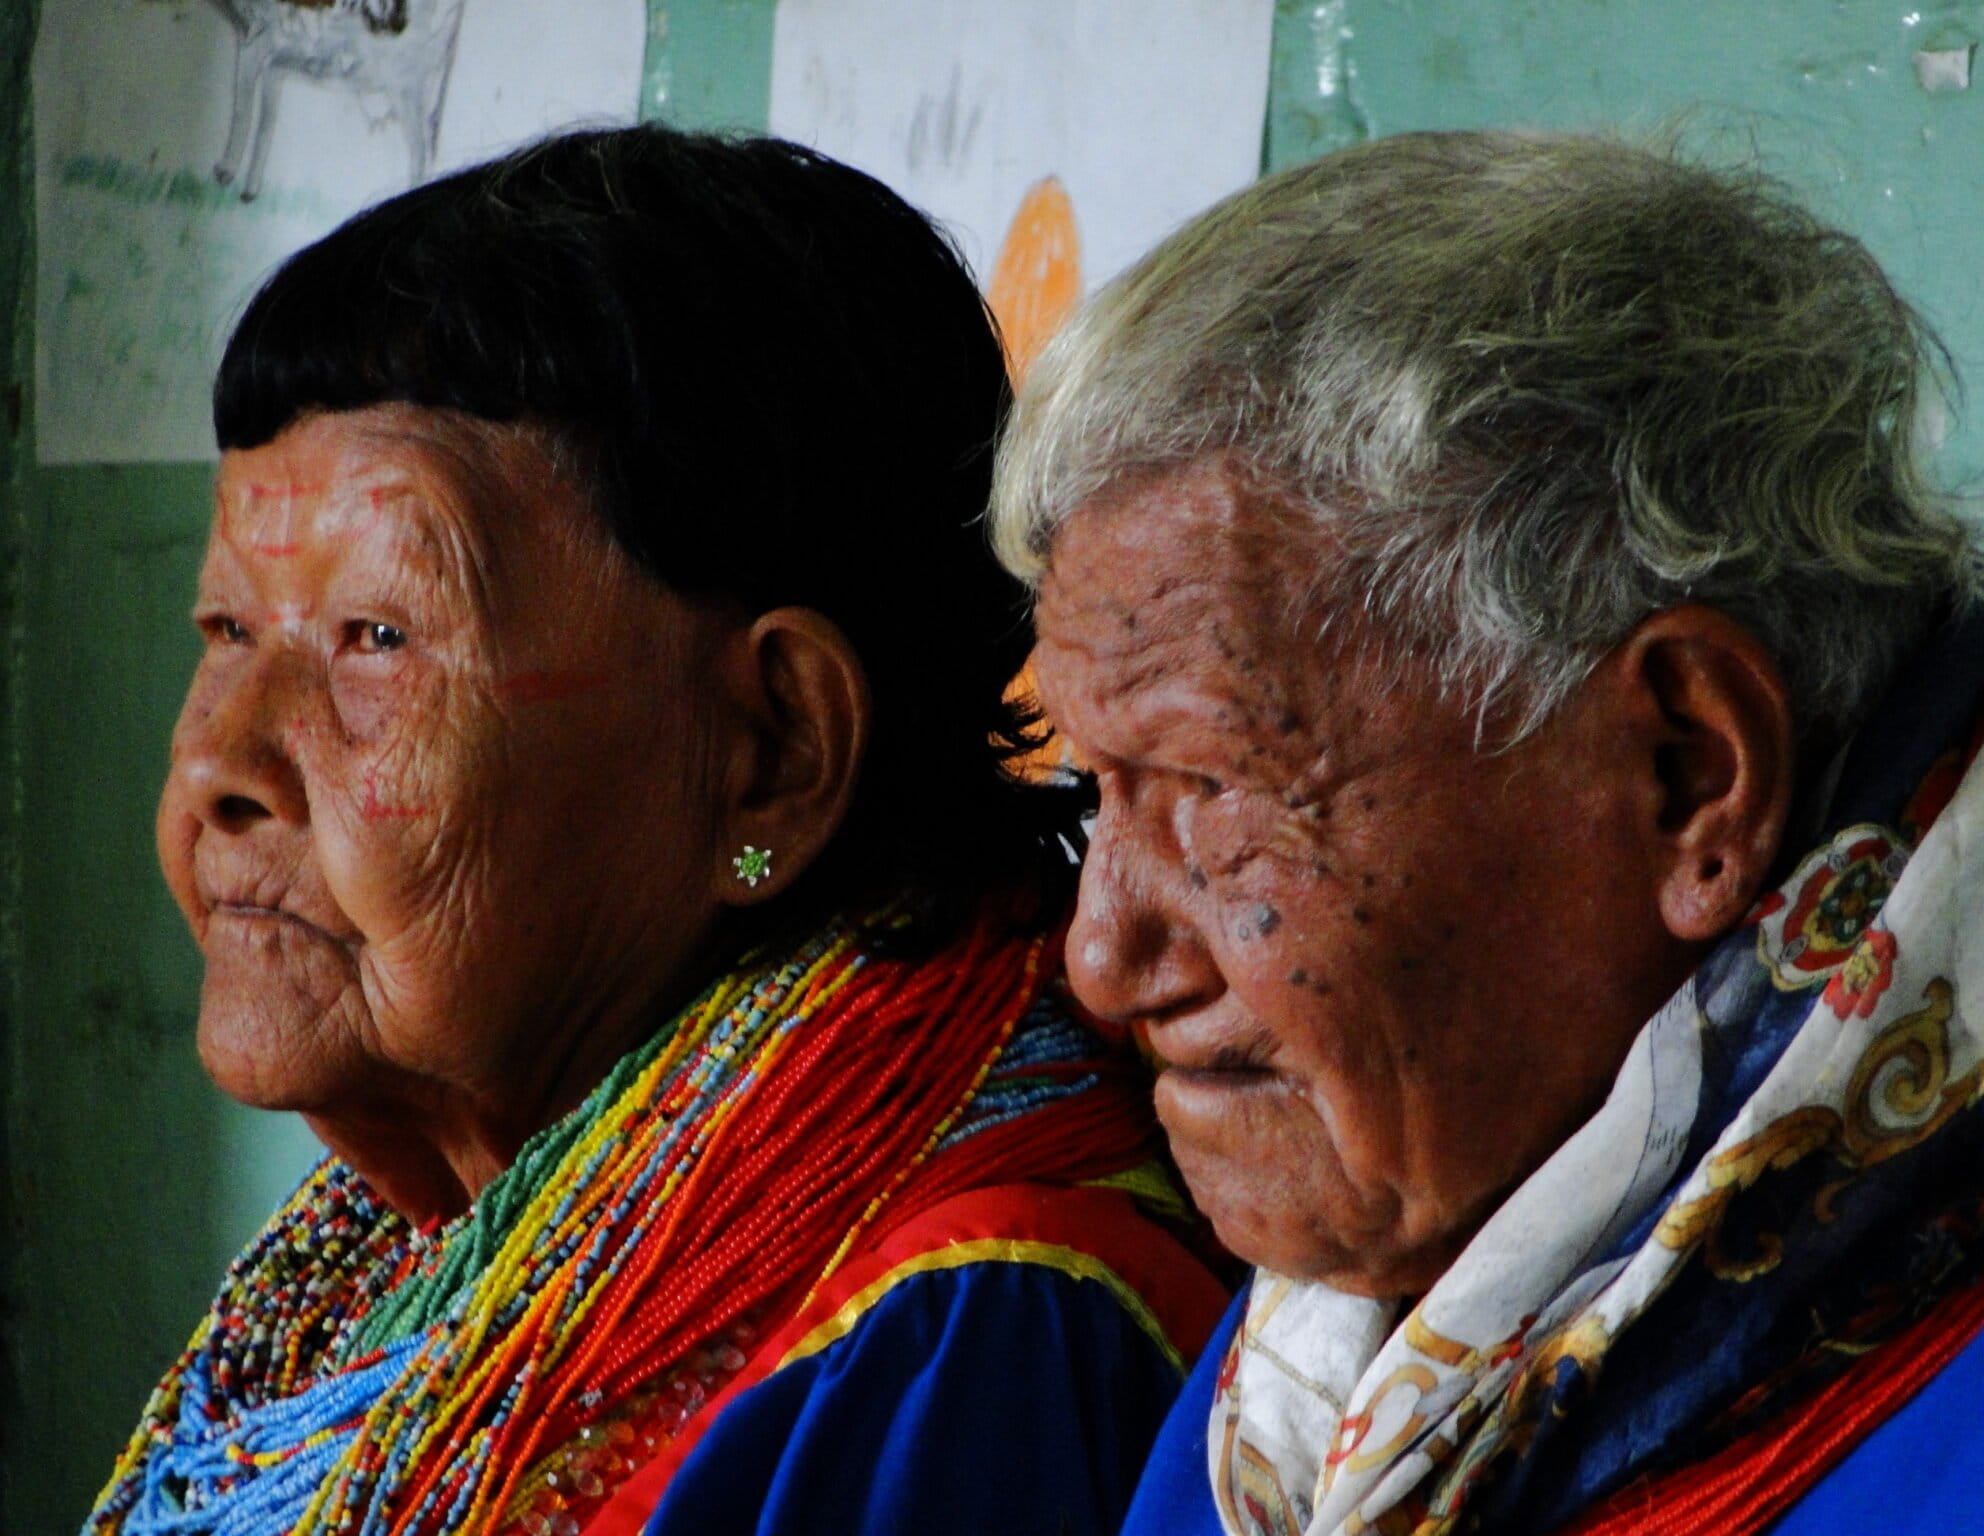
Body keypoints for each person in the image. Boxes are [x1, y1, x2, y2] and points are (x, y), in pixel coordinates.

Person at [84, 126, 1229, 1536]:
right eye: (227, 628)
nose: (215, 760)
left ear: (770, 755)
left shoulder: (967, 1339)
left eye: (373, 639)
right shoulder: (450, 1232)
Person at [990, 131, 1984, 1535]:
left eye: (1208, 794)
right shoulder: (1343, 1345)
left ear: (1688, 779)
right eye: (1094, 793)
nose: (1104, 960)